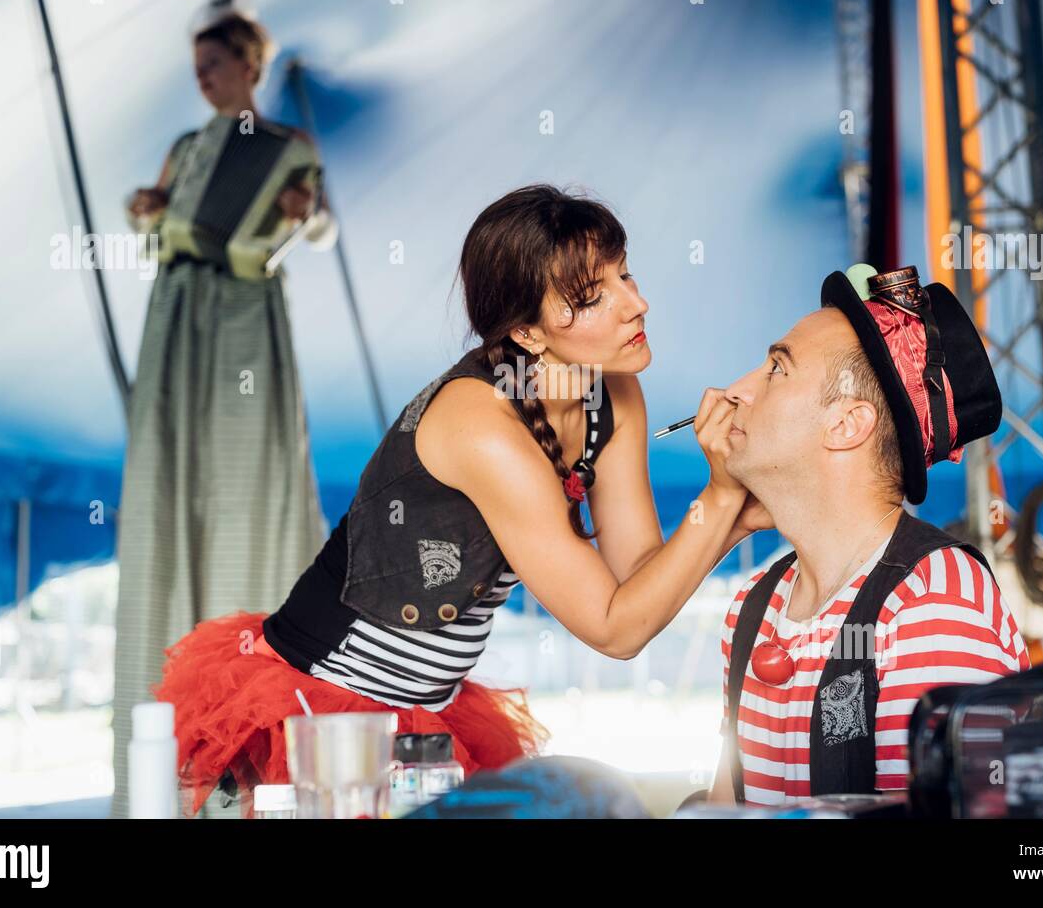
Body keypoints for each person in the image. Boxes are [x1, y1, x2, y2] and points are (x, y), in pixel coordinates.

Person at [154, 184, 760, 817]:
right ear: (526, 331)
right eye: (592, 297)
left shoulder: (613, 395)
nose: (637, 304)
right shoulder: (484, 425)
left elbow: (640, 577)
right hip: (324, 703)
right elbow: (615, 628)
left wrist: (734, 515)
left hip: (431, 707)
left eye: (626, 274)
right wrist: (721, 499)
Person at [112, 0, 336, 818]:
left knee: (246, 488)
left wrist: (301, 218)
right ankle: (169, 752)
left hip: (243, 319)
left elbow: (318, 230)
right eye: (197, 69)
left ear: (250, 66)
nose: (204, 81)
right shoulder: (186, 145)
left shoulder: (288, 146)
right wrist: (147, 211)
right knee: (173, 478)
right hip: (179, 317)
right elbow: (157, 221)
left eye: (215, 66)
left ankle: (253, 739)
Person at [708, 263, 1031, 807]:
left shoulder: (931, 601)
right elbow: (726, 806)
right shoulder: (752, 606)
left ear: (846, 425)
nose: (734, 390)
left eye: (776, 370)